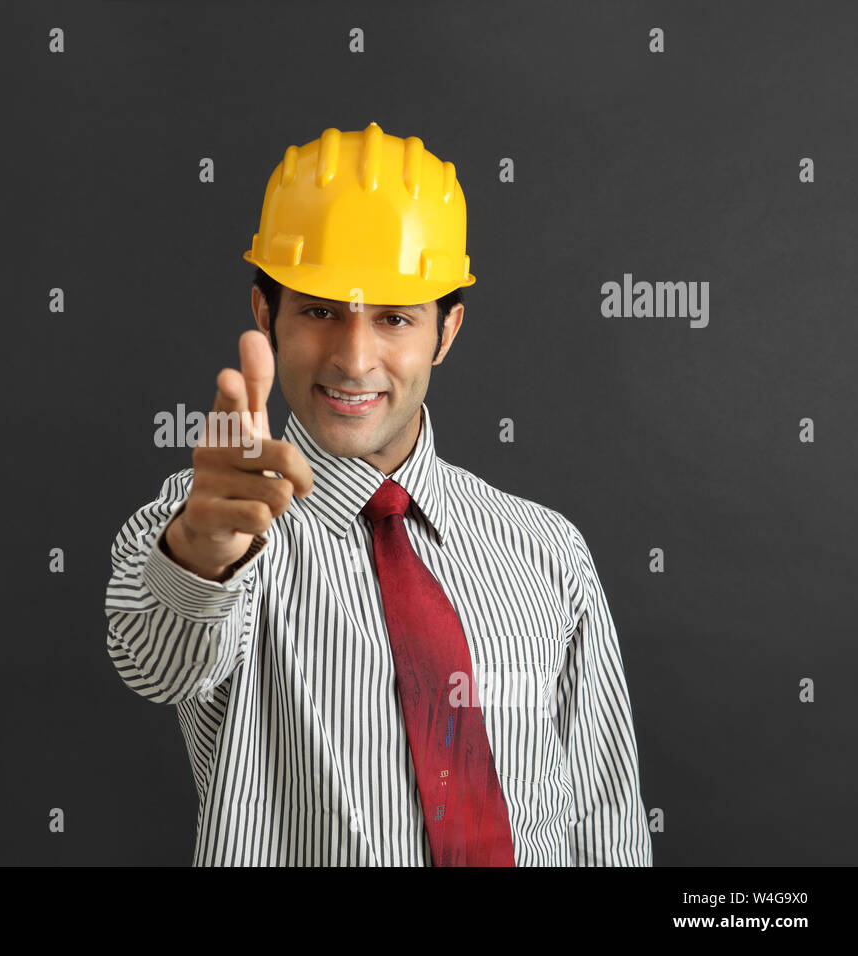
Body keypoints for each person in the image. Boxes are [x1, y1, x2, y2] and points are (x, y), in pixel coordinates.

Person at [104, 122, 652, 866]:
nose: (355, 359)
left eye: (394, 317)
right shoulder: (213, 520)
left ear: (446, 331)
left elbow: (601, 813)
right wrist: (200, 558)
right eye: (321, 311)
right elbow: (157, 664)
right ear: (266, 316)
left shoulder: (547, 550)